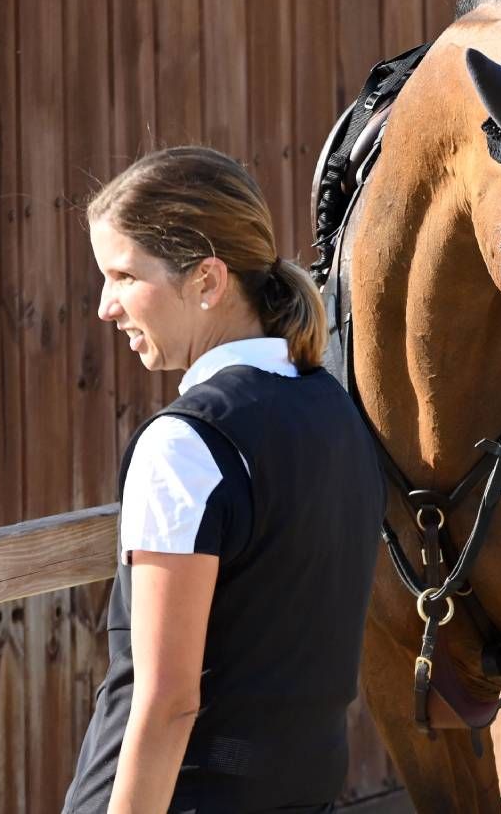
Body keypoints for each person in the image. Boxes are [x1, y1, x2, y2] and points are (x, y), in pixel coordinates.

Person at [64, 147, 384, 813]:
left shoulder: (184, 445)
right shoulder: (338, 414)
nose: (104, 306)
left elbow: (166, 700)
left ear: (207, 280)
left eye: (124, 275)